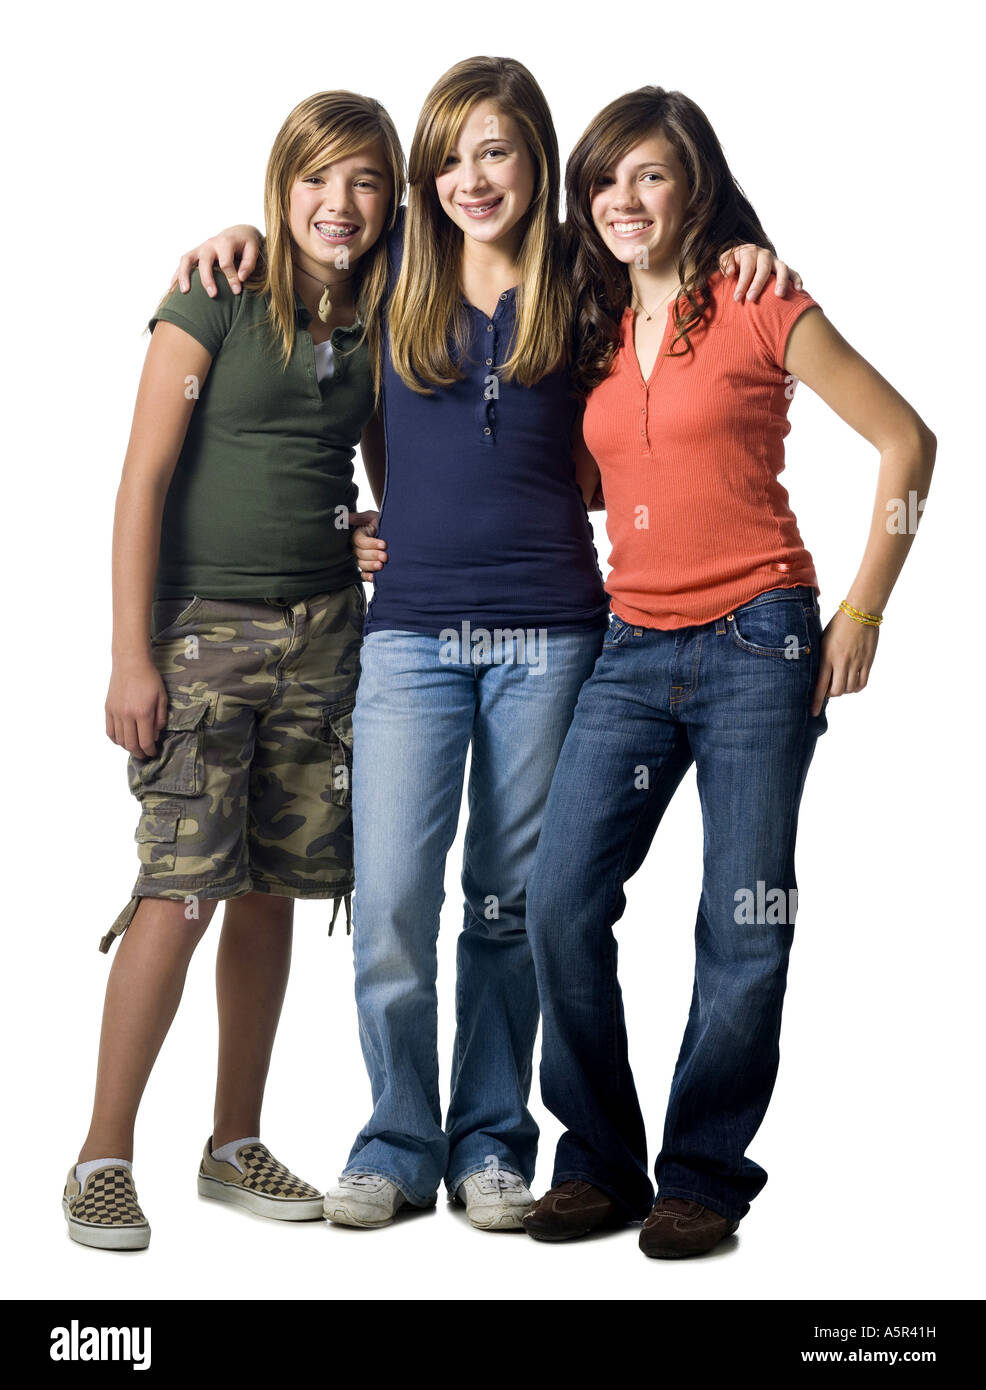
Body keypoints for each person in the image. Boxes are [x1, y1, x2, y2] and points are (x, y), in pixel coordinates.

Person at [173, 57, 793, 1234]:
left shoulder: (580, 268)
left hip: (555, 632)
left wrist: (741, 252)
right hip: (408, 635)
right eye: (449, 155)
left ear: (536, 161)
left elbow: (676, 265)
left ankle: (493, 1139)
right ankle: (397, 1135)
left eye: (497, 150)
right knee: (395, 900)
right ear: (424, 174)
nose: (472, 176)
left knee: (508, 902)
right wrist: (231, 239)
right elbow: (305, 249)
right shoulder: (395, 261)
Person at [519, 85, 936, 1257]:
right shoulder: (591, 326)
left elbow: (909, 440)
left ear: (693, 181)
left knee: (742, 921)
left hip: (761, 635)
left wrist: (863, 607)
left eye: (649, 175)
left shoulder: (761, 301)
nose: (623, 200)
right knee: (557, 904)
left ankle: (700, 1174)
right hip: (629, 644)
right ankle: (599, 1161)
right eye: (604, 181)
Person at [63, 91, 406, 1250]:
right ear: (283, 184)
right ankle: (101, 1155)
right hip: (201, 633)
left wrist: (371, 529)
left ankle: (233, 1142)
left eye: (364, 181)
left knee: (271, 886)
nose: (340, 204)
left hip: (325, 634)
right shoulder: (216, 293)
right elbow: (140, 482)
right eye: (318, 179)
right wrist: (129, 651)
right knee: (179, 888)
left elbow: (380, 472)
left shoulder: (377, 322)